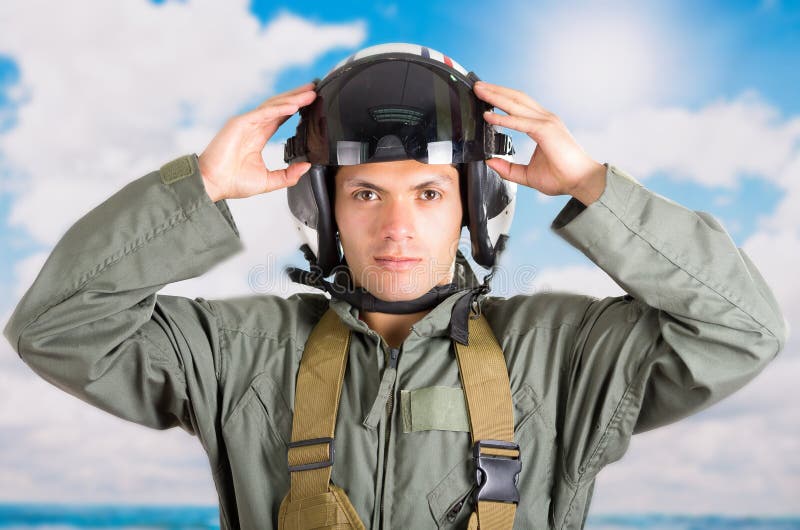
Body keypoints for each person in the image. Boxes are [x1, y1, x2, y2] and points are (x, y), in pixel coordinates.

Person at [2, 42, 788, 530]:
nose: (398, 228)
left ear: (473, 207)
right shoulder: (237, 353)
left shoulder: (566, 353)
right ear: (326, 210)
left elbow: (742, 330)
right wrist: (198, 188)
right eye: (367, 194)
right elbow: (55, 327)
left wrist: (590, 185)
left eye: (430, 193)